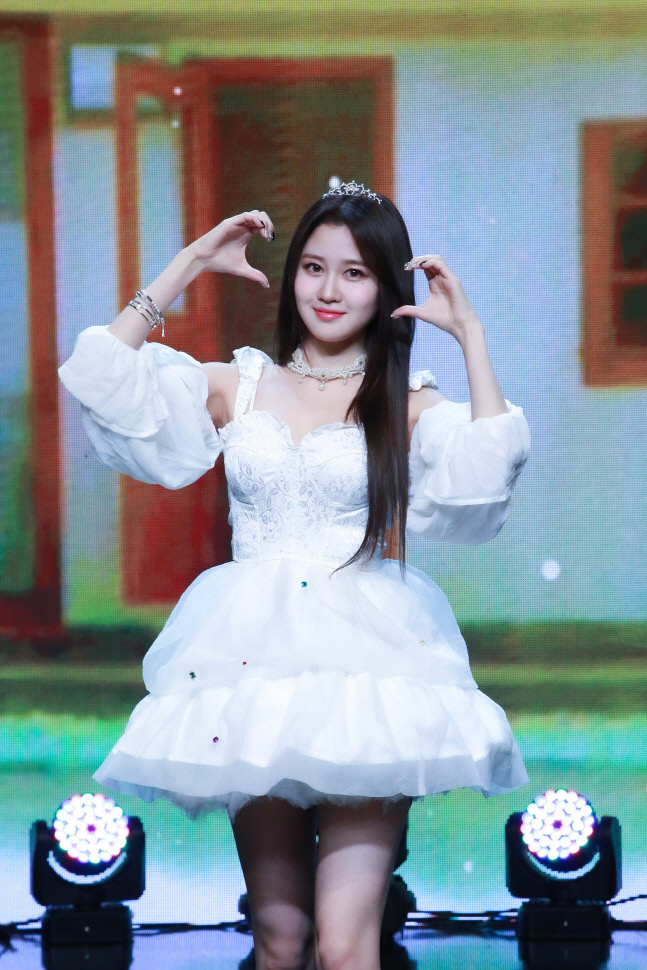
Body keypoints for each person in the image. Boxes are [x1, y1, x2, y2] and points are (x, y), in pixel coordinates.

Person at [58, 180, 530, 970]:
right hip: (253, 666)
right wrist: (189, 263)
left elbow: (485, 478)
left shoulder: (403, 400)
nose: (328, 290)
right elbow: (105, 377)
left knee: (345, 945)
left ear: (384, 287)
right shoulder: (238, 384)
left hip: (366, 669)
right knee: (279, 941)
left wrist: (469, 335)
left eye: (354, 272)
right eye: (313, 267)